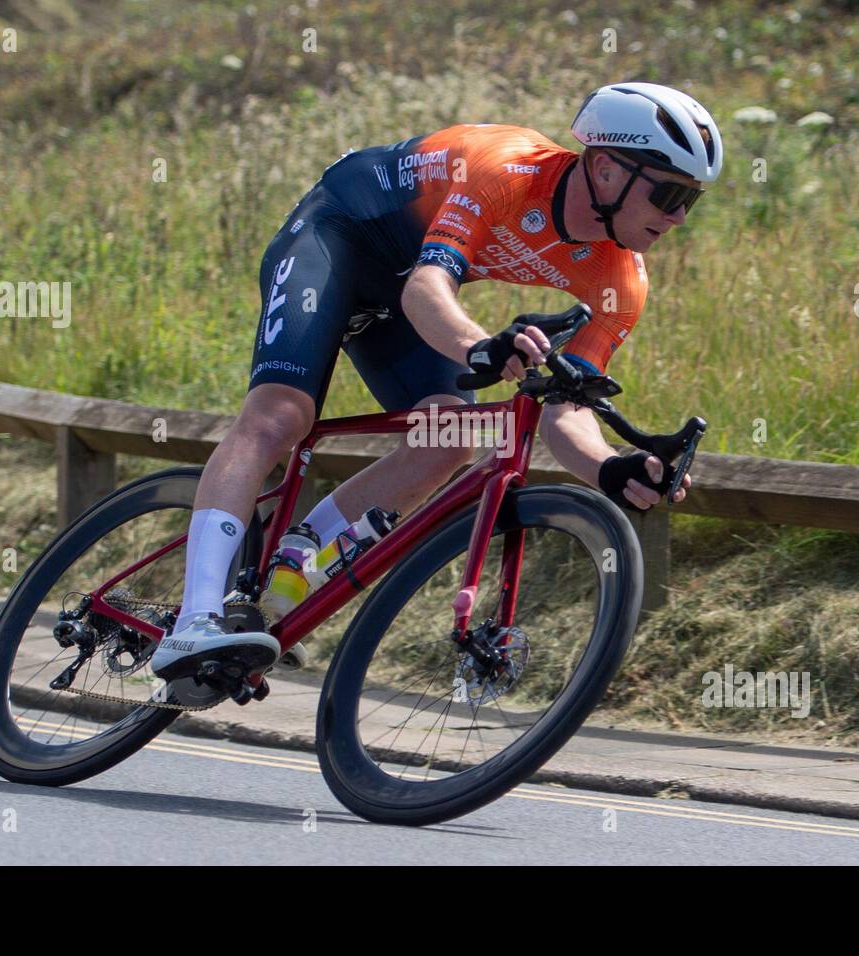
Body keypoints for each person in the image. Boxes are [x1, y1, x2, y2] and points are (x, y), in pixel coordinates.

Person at [151, 81, 724, 682]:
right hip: (336, 237)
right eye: (670, 193)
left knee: (447, 438)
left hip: (403, 296)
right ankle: (196, 620)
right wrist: (481, 345)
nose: (680, 216)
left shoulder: (621, 281)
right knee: (280, 417)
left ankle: (293, 563)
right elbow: (426, 288)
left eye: (693, 200)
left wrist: (611, 469)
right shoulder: (506, 171)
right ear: (606, 170)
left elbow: (567, 406)